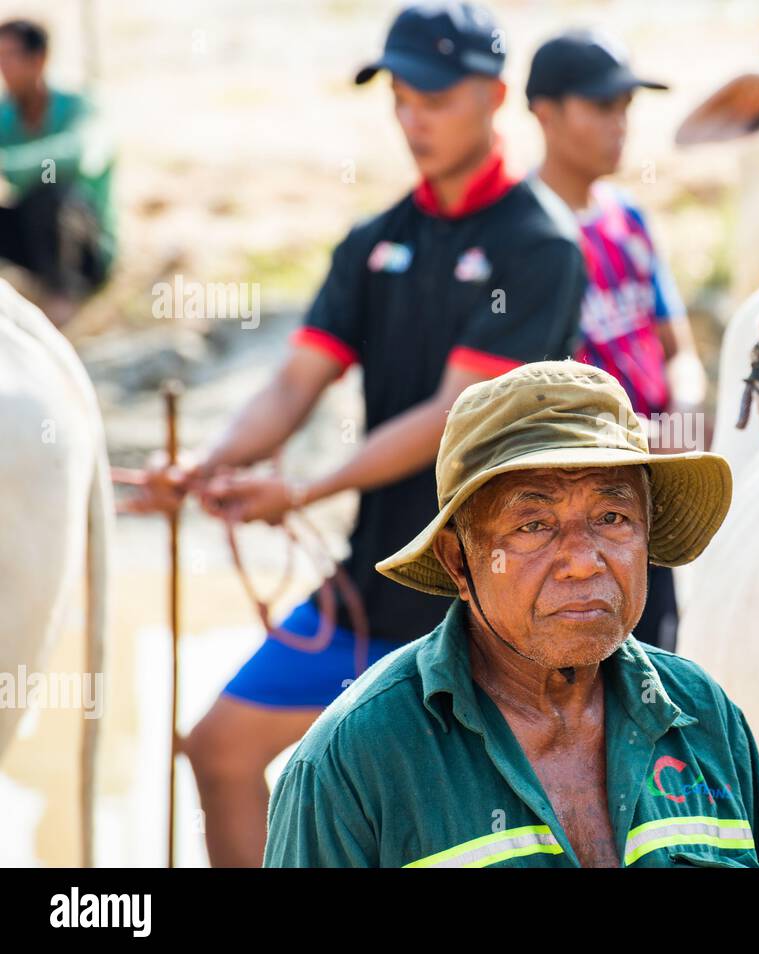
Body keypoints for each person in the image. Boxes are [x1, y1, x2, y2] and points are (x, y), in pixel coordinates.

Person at [126, 2, 588, 867]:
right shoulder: (373, 242)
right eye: (401, 96)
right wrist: (207, 465)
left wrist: (302, 489)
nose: (413, 117)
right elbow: (294, 380)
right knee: (218, 748)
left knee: (457, 825)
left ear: (493, 96)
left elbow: (456, 415)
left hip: (487, 602)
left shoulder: (540, 246)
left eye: (436, 97)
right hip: (372, 586)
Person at [263, 360, 759, 868]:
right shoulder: (354, 761)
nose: (583, 562)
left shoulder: (702, 716)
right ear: (459, 561)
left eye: (612, 517)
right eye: (533, 525)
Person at [526, 28, 707, 652]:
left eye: (626, 107)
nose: (620, 123)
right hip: (573, 505)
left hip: (650, 488)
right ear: (544, 113)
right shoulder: (521, 237)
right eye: (603, 106)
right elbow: (522, 395)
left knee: (656, 655)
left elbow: (676, 346)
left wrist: (683, 419)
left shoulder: (628, 219)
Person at [0, 19, 114, 328]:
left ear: (39, 59)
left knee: (50, 190)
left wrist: (7, 162)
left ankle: (62, 298)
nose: (4, 67)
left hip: (84, 246)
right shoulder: (5, 115)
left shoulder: (79, 106)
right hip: (31, 243)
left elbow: (79, 155)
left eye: (11, 56)